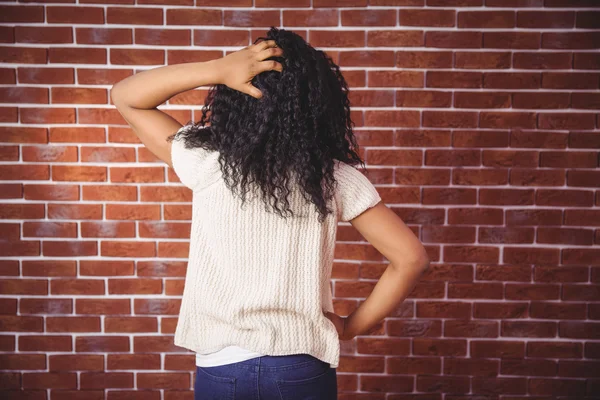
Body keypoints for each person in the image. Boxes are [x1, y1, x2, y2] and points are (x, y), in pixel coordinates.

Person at [111, 27, 429, 400]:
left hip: (222, 364)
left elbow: (125, 97)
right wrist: (350, 326)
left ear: (236, 97)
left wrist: (219, 68)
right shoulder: (333, 178)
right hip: (300, 366)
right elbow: (411, 259)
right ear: (318, 105)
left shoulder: (208, 162)